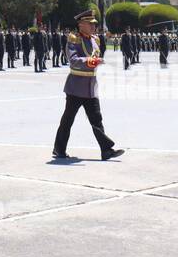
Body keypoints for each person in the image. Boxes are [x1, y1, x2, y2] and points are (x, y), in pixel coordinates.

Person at [52, 10, 124, 162]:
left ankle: (106, 150)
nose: (93, 26)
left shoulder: (95, 40)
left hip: (90, 87)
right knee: (68, 120)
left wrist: (97, 61)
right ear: (81, 25)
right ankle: (59, 148)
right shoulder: (74, 39)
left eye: (94, 24)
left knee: (96, 120)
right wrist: (92, 62)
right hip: (76, 87)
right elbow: (73, 60)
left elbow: (97, 56)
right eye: (90, 24)